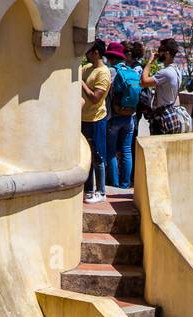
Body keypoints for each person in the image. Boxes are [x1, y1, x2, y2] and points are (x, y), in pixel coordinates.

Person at [105, 41, 140, 189]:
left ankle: (113, 183)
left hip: (114, 116)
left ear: (111, 57)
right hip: (130, 116)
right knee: (126, 151)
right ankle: (125, 184)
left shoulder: (111, 71)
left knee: (111, 151)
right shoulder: (132, 71)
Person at [81, 39, 111, 203]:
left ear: (96, 52)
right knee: (87, 156)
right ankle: (88, 189)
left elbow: (95, 98)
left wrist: (82, 84)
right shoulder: (87, 68)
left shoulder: (103, 73)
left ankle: (101, 191)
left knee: (98, 156)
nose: (86, 54)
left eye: (88, 51)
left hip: (96, 119)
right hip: (84, 118)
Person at [140, 38, 190, 135]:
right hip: (172, 114)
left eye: (160, 51)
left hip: (163, 117)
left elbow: (143, 82)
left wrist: (150, 61)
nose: (158, 54)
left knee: (158, 148)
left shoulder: (166, 72)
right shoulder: (177, 70)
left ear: (167, 53)